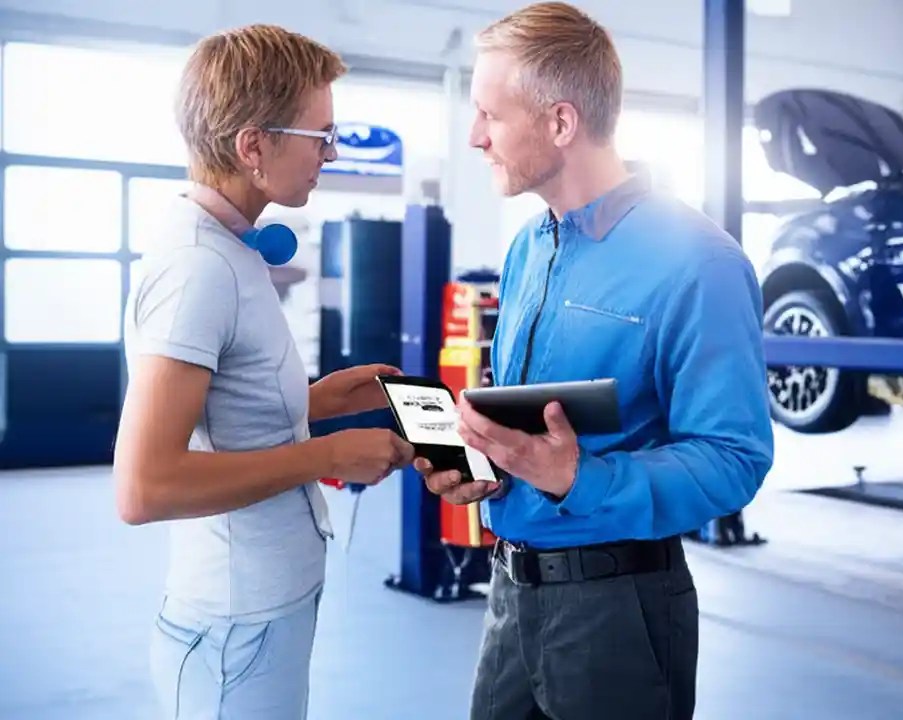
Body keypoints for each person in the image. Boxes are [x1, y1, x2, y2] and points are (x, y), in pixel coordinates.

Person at [416, 3, 774, 719]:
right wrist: (483, 465)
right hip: (510, 596)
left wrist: (581, 477)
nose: (475, 135)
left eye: (490, 113)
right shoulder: (529, 248)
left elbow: (734, 458)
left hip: (619, 613)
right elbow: (532, 417)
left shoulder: (698, 263)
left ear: (560, 122)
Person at [114, 24, 415, 718]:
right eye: (320, 136)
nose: (329, 155)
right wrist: (329, 454)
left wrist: (321, 403)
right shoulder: (200, 268)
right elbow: (145, 484)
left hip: (266, 609)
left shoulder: (233, 247)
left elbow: (222, 420)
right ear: (254, 146)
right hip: (234, 626)